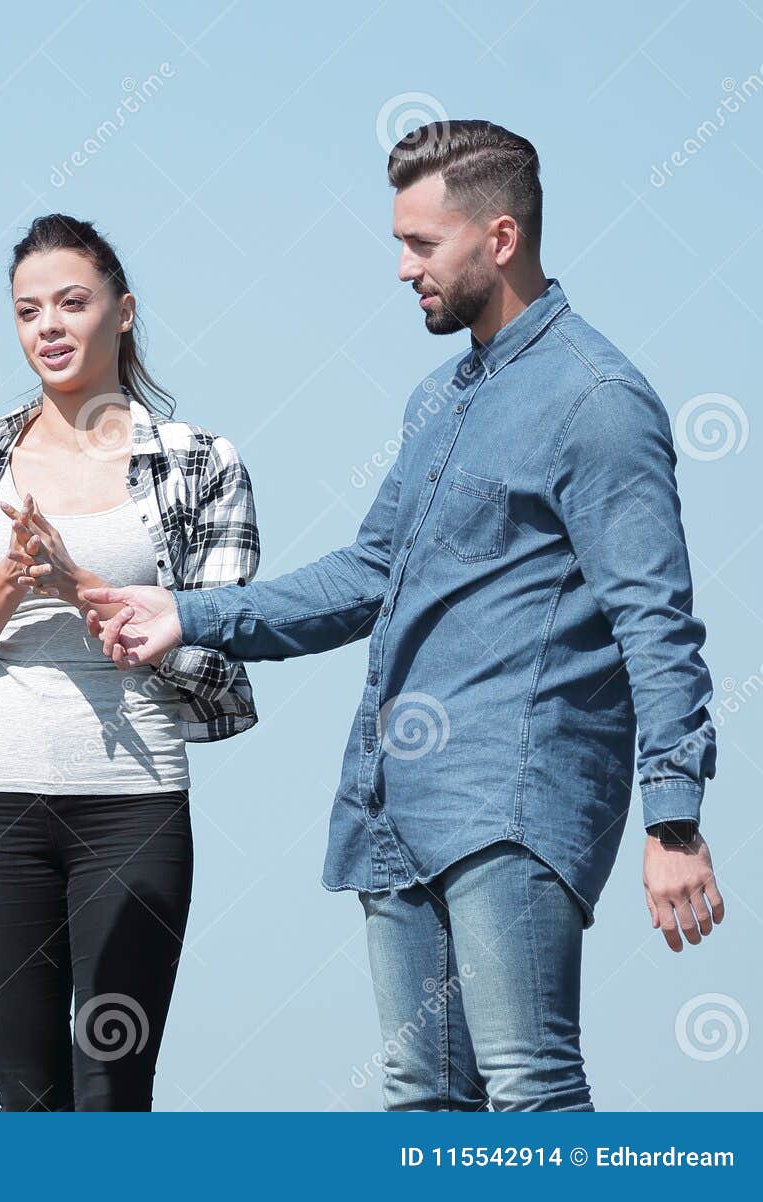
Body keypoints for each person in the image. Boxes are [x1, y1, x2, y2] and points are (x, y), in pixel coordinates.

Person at [82, 121, 723, 1111]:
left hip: (513, 802)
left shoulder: (597, 399)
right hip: (396, 807)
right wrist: (187, 612)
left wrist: (672, 815)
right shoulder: (440, 399)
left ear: (498, 239)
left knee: (530, 1090)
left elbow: (657, 617)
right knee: (421, 1103)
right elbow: (371, 570)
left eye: (421, 243)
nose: (400, 268)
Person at [0, 214, 260, 1110]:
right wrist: (10, 584)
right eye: (29, 311)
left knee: (112, 1090)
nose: (50, 327)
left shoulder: (200, 465)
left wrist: (78, 588)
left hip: (134, 810)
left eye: (73, 303)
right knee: (26, 1101)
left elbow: (220, 671)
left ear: (124, 312)